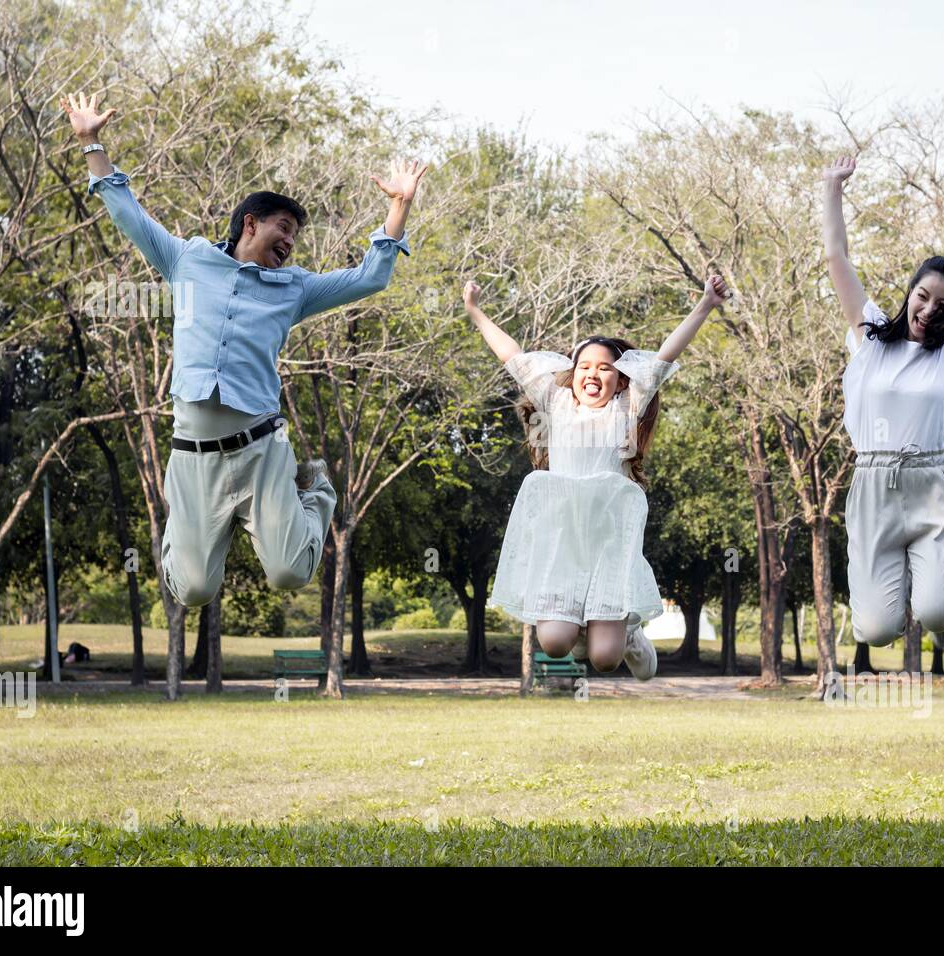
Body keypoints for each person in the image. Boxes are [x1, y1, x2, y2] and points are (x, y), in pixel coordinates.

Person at [61, 91, 426, 606]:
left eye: (295, 236)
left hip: (260, 452)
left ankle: (315, 488)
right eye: (284, 228)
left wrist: (399, 206)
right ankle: (186, 534)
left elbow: (370, 277)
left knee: (290, 573)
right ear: (251, 223)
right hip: (193, 460)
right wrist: (91, 141)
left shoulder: (295, 287)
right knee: (192, 590)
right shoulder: (186, 260)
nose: (290, 242)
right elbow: (127, 213)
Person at [464, 275, 729, 679]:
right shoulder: (555, 400)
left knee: (605, 659)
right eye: (584, 365)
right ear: (573, 372)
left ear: (620, 378)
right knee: (554, 643)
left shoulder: (626, 408)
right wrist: (476, 312)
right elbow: (512, 356)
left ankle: (631, 633)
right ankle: (593, 623)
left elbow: (665, 355)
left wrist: (706, 304)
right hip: (562, 546)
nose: (593, 373)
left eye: (604, 367)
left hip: (607, 548)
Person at [822, 154, 944, 650]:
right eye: (923, 296)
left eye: (943, 305)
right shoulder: (870, 339)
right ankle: (912, 615)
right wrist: (833, 188)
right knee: (878, 631)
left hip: (932, 485)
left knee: (937, 611)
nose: (929, 310)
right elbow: (837, 258)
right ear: (910, 293)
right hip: (873, 486)